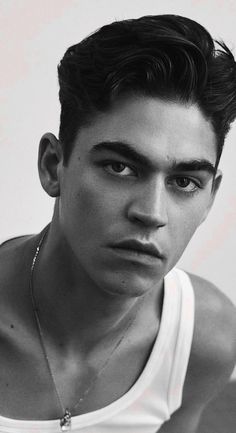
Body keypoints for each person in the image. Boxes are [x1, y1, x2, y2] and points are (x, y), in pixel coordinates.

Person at [0, 14, 236, 433]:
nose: (152, 212)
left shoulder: (204, 337)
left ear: (209, 199)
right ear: (54, 166)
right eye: (120, 167)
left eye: (184, 181)